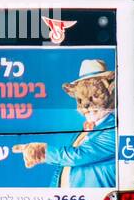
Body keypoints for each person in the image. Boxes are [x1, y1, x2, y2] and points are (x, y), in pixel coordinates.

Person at [14, 58, 117, 188]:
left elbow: (77, 156)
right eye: (80, 100)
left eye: (94, 97)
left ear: (110, 92)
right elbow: (65, 167)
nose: (85, 105)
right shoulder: (88, 129)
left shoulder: (113, 130)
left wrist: (42, 152)